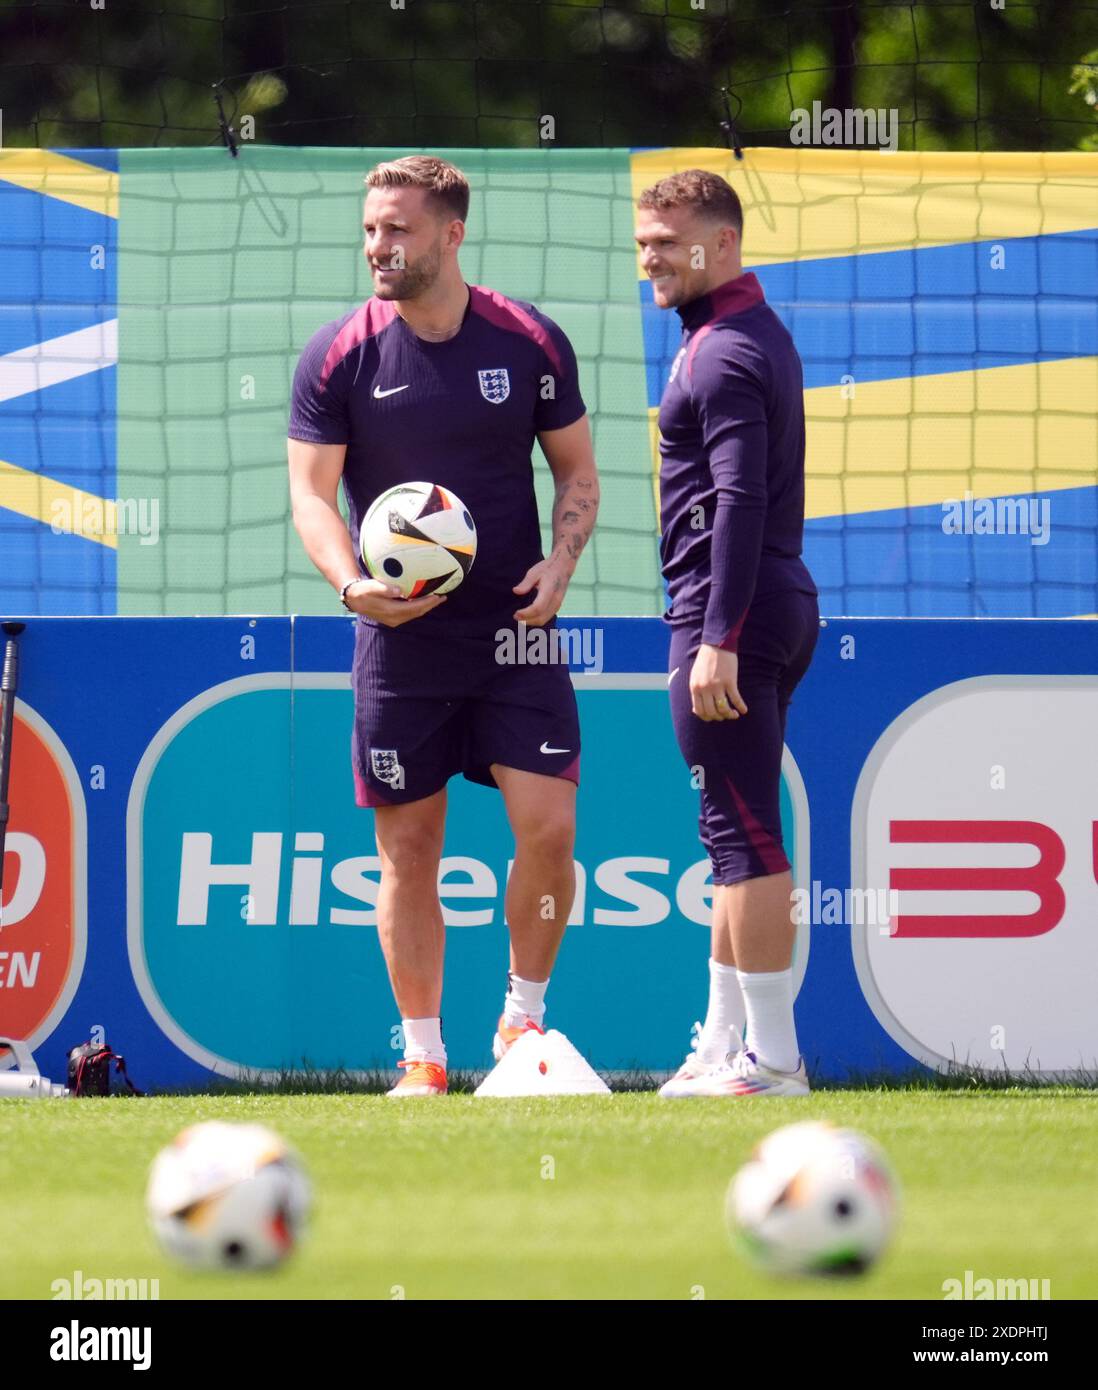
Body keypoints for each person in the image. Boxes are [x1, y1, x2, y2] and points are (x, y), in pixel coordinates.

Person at [288, 156, 599, 1097]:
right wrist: (352, 587)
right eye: (371, 228)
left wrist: (563, 561)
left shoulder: (530, 339)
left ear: (451, 235)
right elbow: (310, 493)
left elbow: (577, 475)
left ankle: (522, 1023)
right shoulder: (339, 354)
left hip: (514, 632)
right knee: (409, 850)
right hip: (399, 642)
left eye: (398, 230)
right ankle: (422, 1056)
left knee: (548, 828)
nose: (378, 246)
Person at [635, 169, 818, 1098]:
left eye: (667, 243)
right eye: (643, 243)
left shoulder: (724, 352)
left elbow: (740, 496)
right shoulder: (737, 336)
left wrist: (718, 635)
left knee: (745, 838)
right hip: (761, 603)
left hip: (731, 611)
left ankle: (774, 1062)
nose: (649, 259)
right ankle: (721, 1044)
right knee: (731, 832)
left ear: (724, 242)